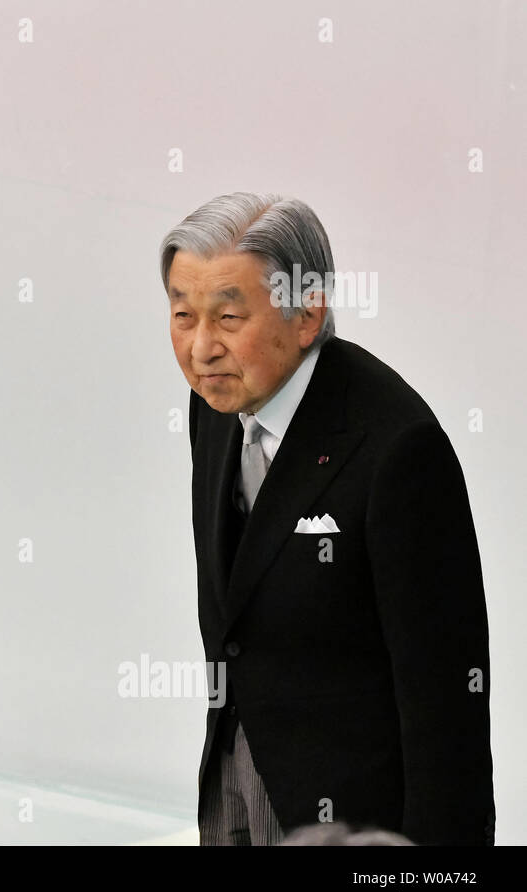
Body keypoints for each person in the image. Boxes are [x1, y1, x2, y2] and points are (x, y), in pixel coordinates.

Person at [162, 192, 493, 846]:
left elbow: (446, 707)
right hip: (232, 777)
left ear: (308, 311)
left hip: (350, 818)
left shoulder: (397, 449)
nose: (201, 348)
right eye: (181, 314)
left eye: (229, 316)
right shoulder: (215, 409)